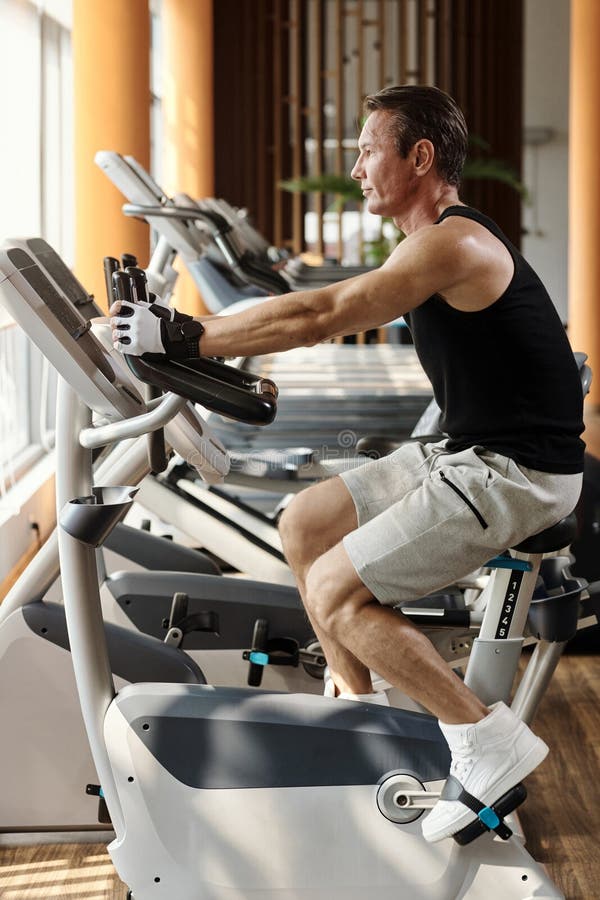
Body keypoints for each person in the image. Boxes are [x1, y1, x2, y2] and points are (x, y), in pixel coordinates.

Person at [110, 84, 585, 843]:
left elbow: (322, 315)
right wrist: (202, 338)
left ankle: (488, 741)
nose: (357, 168)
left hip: (516, 472)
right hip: (468, 450)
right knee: (304, 524)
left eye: (368, 150)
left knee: (332, 592)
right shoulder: (427, 242)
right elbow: (322, 307)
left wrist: (190, 338)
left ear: (419, 157)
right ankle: (361, 720)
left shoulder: (452, 243)